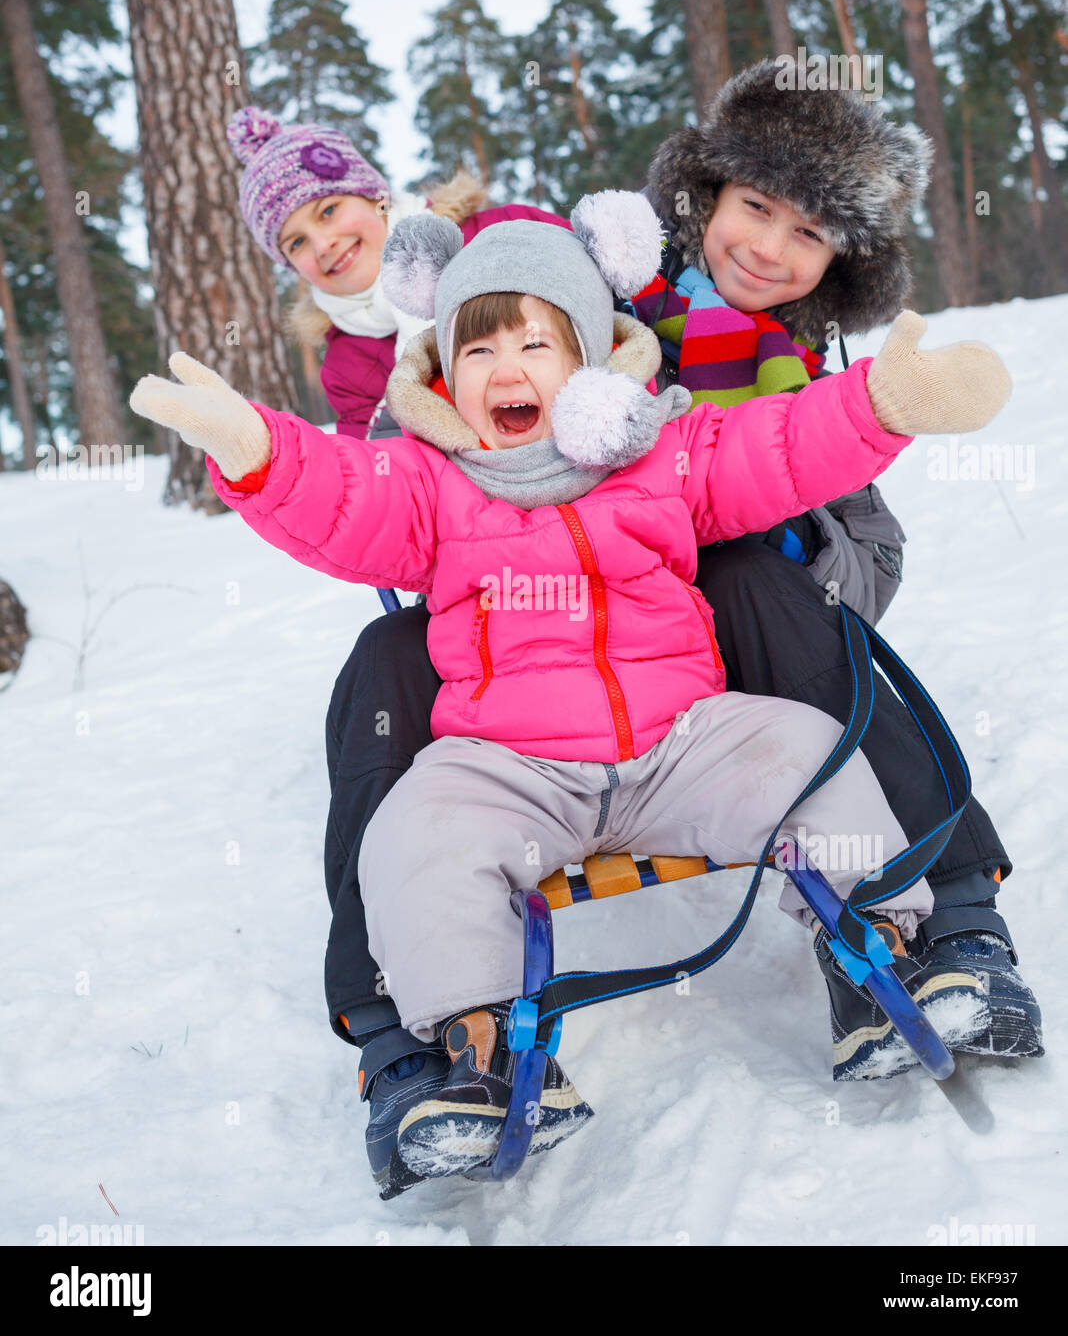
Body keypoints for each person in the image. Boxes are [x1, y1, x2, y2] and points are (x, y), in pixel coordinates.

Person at [128, 190, 1012, 1193]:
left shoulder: (658, 453)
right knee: (417, 838)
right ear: (445, 376)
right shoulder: (430, 481)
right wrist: (252, 449)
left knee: (811, 753)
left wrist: (881, 404)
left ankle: (880, 950)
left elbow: (776, 446)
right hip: (509, 762)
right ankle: (486, 1049)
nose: (506, 371)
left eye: (535, 347)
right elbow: (338, 495)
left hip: (680, 739)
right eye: (478, 352)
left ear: (590, 363)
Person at [318, 64, 1042, 1181]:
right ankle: (403, 1034)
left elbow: (857, 528)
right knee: (386, 658)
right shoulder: (608, 304)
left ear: (838, 264)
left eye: (807, 232)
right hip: (532, 616)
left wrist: (783, 549)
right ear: (704, 198)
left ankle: (945, 912)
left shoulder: (809, 366)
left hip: (719, 635)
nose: (766, 247)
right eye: (755, 206)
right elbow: (470, 330)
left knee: (756, 578)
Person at [227, 105, 568, 438]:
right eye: (297, 242)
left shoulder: (503, 232)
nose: (322, 244)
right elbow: (378, 476)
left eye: (328, 210)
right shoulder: (346, 367)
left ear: (375, 196)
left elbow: (614, 302)